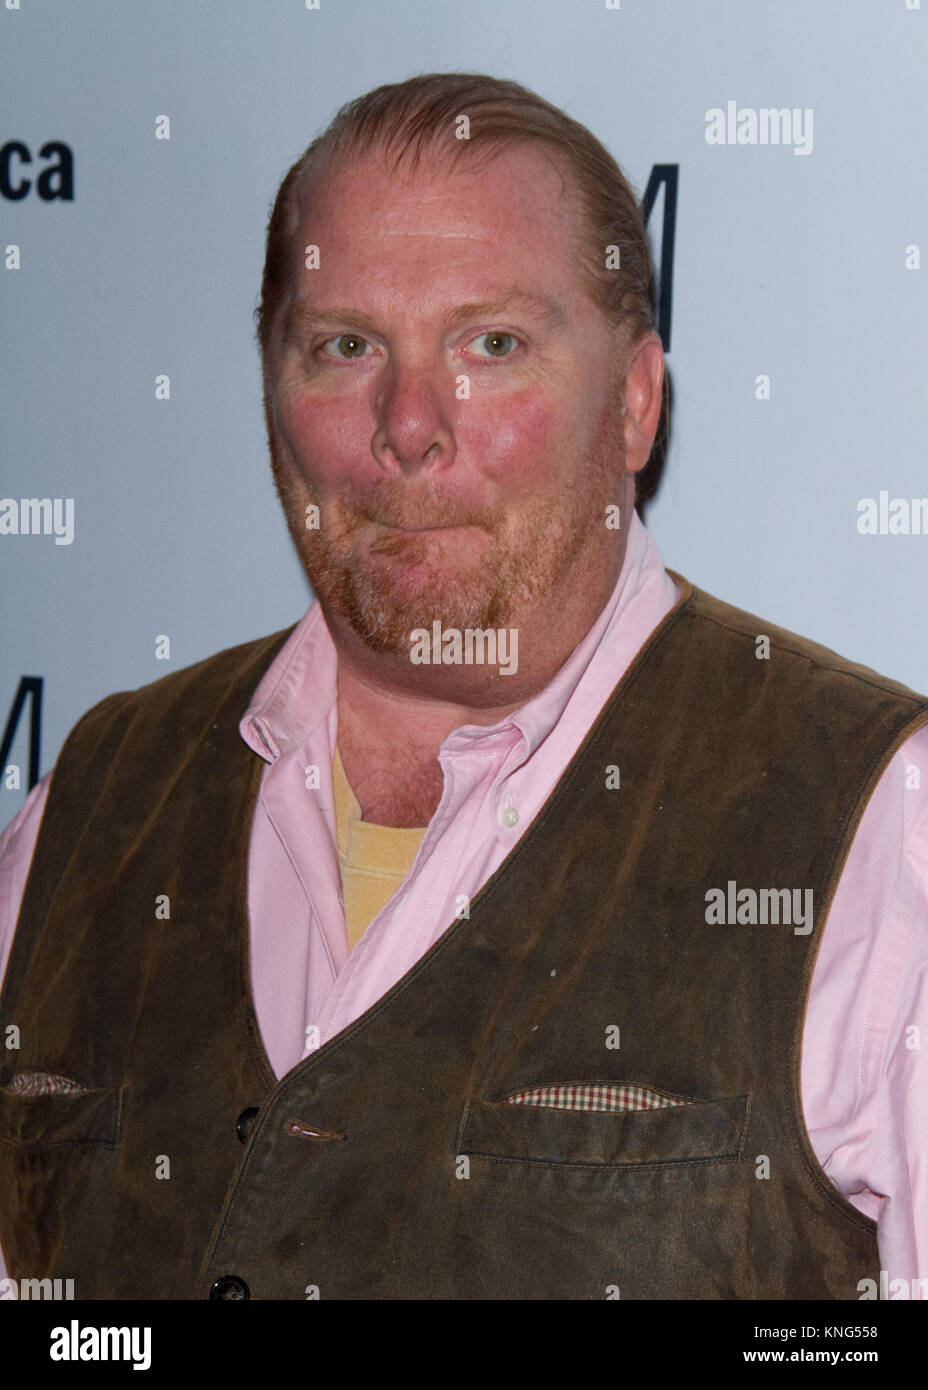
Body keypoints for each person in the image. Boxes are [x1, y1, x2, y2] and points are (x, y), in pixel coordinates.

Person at [0, 72, 926, 1302]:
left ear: (636, 401)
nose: (409, 424)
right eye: (345, 346)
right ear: (271, 392)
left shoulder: (871, 820)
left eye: (491, 344)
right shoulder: (94, 803)